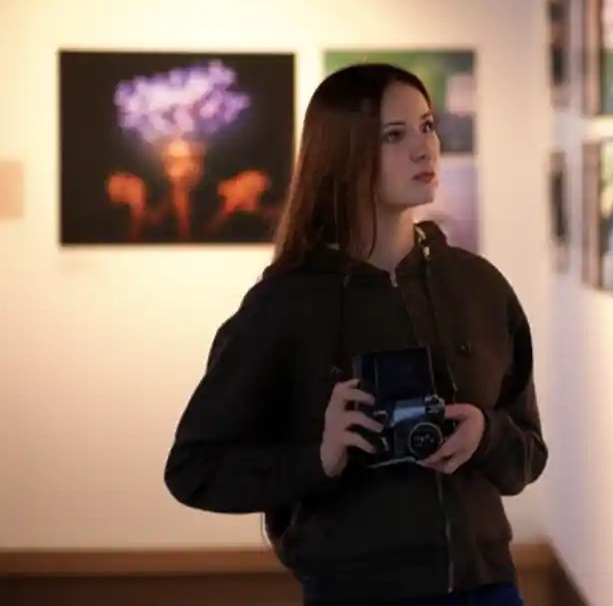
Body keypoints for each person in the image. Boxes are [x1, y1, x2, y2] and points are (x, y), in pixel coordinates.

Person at [163, 63, 548, 605]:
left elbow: (528, 452)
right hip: (354, 591)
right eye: (394, 135)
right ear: (343, 154)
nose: (424, 148)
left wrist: (485, 433)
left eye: (427, 126)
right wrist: (319, 459)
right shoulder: (285, 304)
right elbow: (195, 470)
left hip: (486, 585)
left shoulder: (479, 286)